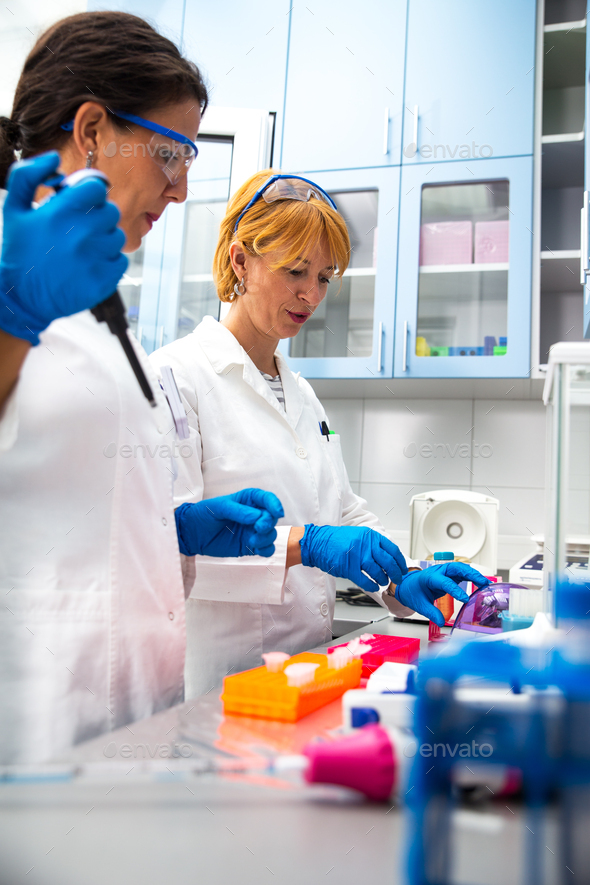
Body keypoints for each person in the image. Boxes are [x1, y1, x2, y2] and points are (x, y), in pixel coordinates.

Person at [0, 13, 283, 764]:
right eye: (170, 154)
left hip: (132, 721)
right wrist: (12, 309)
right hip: (34, 727)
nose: (183, 189)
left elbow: (66, 485)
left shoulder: (102, 308)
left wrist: (172, 527)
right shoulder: (16, 275)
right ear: (93, 130)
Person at [150, 170, 488, 696]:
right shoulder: (175, 376)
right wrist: (305, 546)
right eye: (295, 271)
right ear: (240, 260)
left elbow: (343, 513)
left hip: (308, 674)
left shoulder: (300, 392)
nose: (312, 294)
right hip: (219, 681)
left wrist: (403, 578)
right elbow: (168, 549)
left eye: (326, 277)